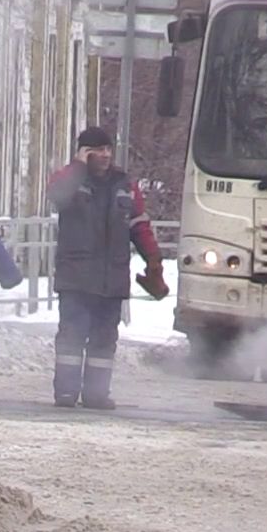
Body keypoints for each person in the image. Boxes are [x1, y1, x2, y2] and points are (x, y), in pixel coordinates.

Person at [47, 127, 164, 410]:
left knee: (104, 340)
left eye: (108, 149)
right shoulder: (69, 178)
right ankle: (65, 392)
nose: (106, 155)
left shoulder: (124, 184)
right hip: (76, 277)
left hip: (111, 278)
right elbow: (57, 196)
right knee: (72, 337)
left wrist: (154, 260)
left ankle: (96, 394)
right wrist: (77, 167)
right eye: (98, 150)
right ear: (84, 152)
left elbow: (139, 225)